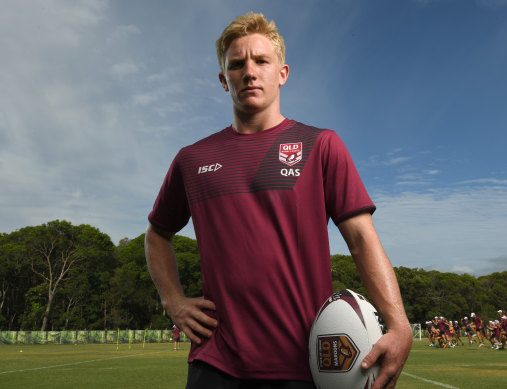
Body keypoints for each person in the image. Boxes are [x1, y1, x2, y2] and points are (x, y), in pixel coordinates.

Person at [145, 12, 412, 389]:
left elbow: (361, 239)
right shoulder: (193, 159)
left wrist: (399, 324)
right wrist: (172, 300)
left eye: (261, 61)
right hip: (215, 364)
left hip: (305, 365)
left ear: (282, 72)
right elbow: (157, 234)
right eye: (236, 65)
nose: (249, 72)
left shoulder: (320, 145)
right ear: (224, 80)